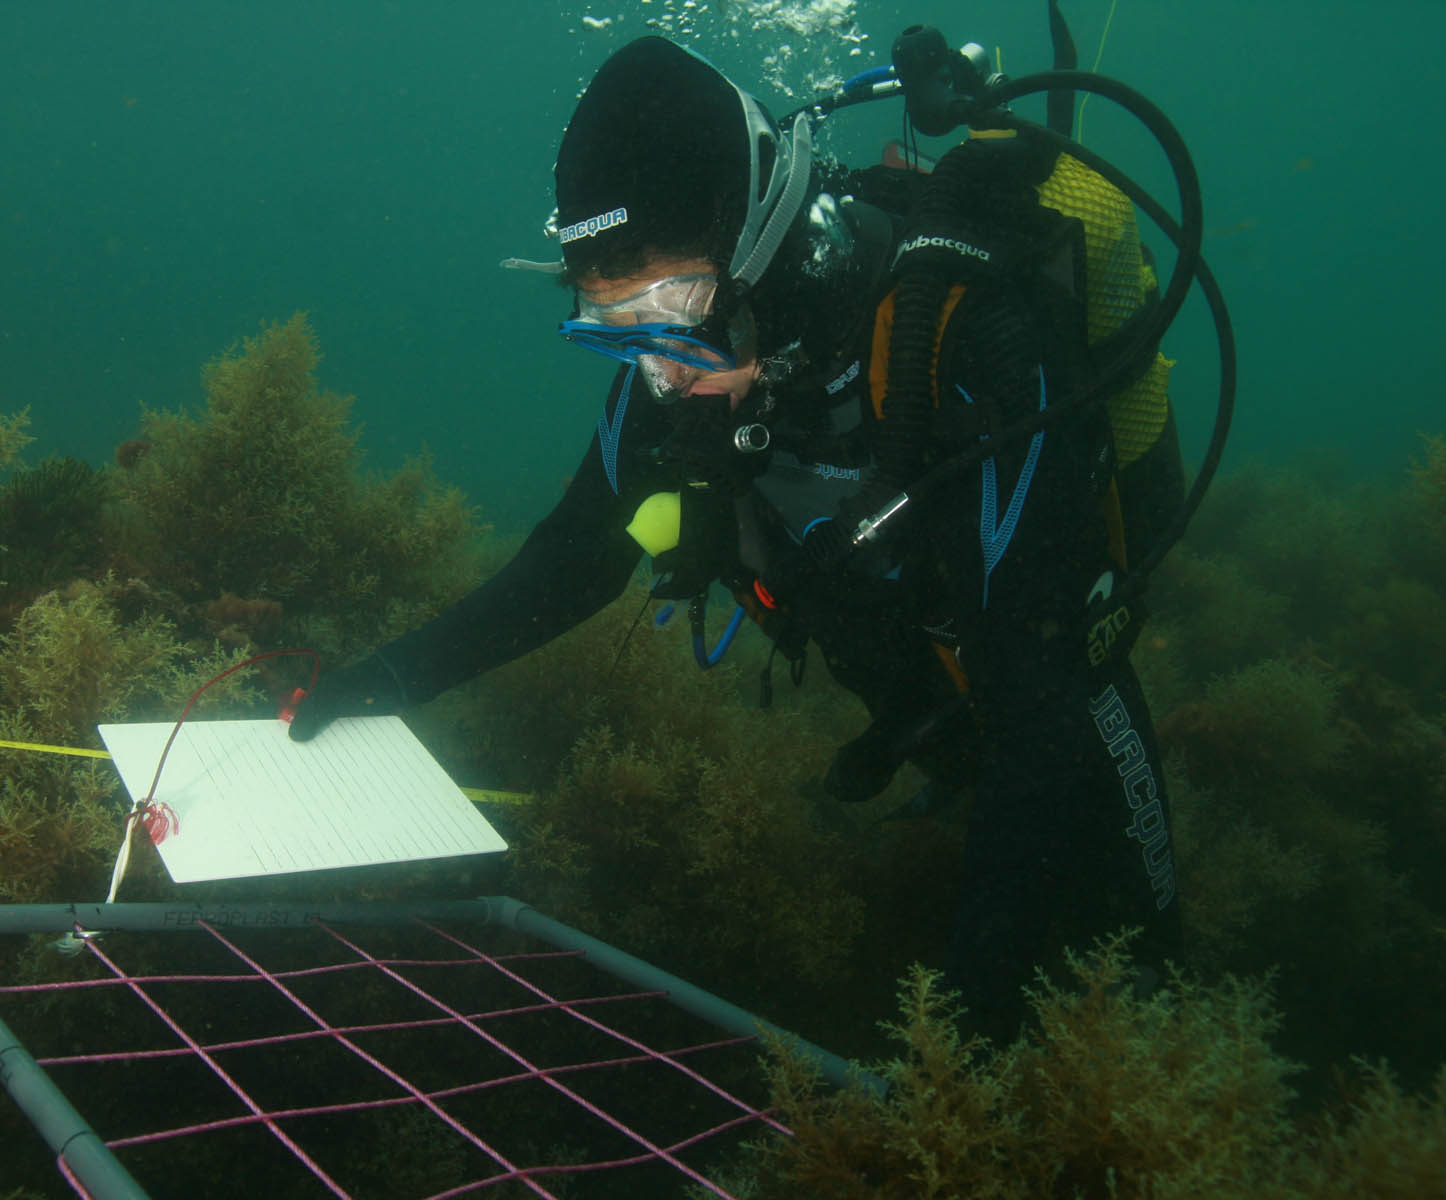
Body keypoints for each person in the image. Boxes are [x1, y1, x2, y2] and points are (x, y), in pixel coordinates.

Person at [289, 35, 1187, 1033]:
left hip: (1055, 687)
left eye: (669, 301)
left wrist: (954, 1059)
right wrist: (381, 681)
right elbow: (572, 563)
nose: (655, 363)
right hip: (931, 701)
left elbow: (1038, 698)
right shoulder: (675, 372)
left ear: (758, 244)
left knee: (1138, 965)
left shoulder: (959, 337)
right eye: (612, 315)